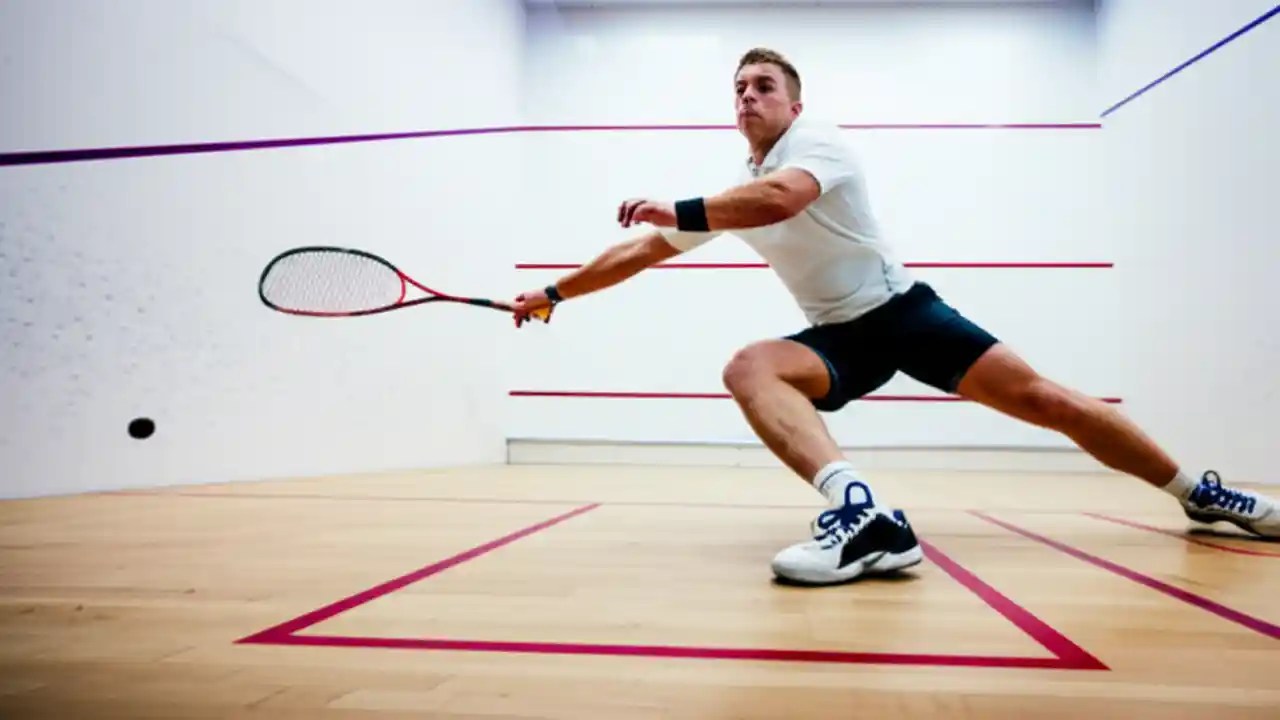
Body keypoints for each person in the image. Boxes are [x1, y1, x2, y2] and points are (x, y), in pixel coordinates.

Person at [508, 47, 1279, 585]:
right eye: (739, 88)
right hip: (841, 337)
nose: (748, 97)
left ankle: (1200, 493)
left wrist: (676, 205)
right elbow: (642, 251)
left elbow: (785, 198)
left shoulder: (818, 142)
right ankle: (863, 513)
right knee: (750, 365)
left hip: (906, 314)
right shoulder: (730, 193)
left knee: (1046, 401)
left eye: (763, 85)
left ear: (794, 102)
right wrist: (554, 293)